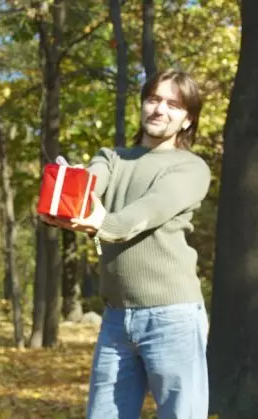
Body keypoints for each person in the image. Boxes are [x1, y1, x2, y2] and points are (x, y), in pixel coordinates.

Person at [43, 69, 211, 418]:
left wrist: (97, 220)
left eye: (173, 104)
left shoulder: (191, 169)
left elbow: (133, 219)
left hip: (173, 317)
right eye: (153, 99)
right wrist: (68, 191)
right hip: (117, 318)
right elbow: (89, 188)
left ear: (186, 120)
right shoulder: (112, 157)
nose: (159, 109)